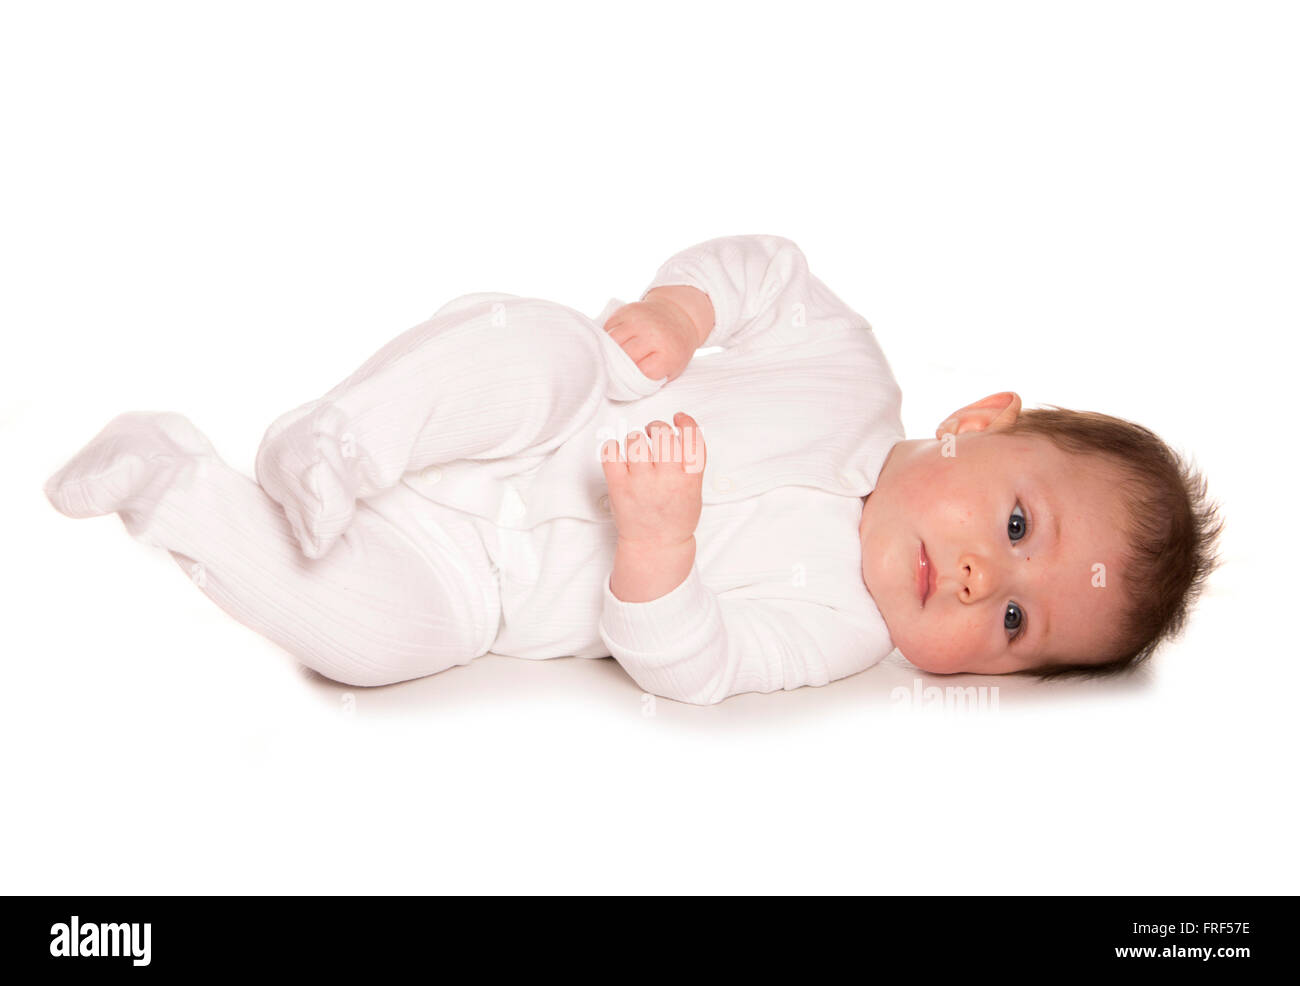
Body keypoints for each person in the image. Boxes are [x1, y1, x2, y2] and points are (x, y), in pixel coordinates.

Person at [43, 234, 1224, 705]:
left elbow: (696, 665)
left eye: (1016, 617)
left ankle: (177, 487)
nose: (975, 575)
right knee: (543, 347)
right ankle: (344, 437)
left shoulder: (838, 631)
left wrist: (659, 549)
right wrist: (680, 308)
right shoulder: (852, 374)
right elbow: (770, 270)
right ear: (980, 416)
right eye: (1015, 523)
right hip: (541, 422)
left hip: (476, 587)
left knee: (374, 647)